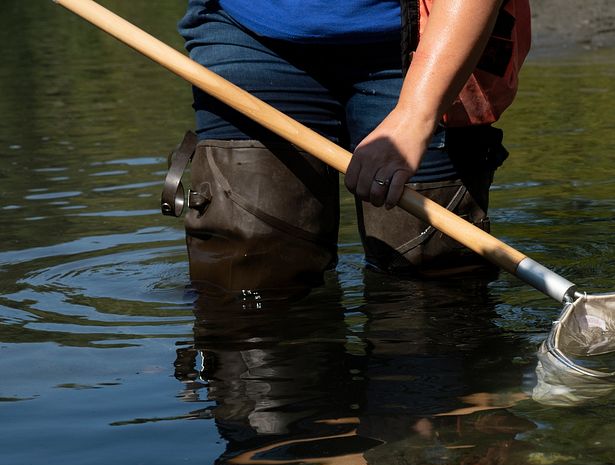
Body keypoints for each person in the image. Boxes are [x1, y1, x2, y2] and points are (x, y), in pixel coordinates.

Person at [169, 0, 529, 296]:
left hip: (423, 35)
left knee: (434, 286)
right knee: (249, 279)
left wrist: (415, 116)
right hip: (247, 31)